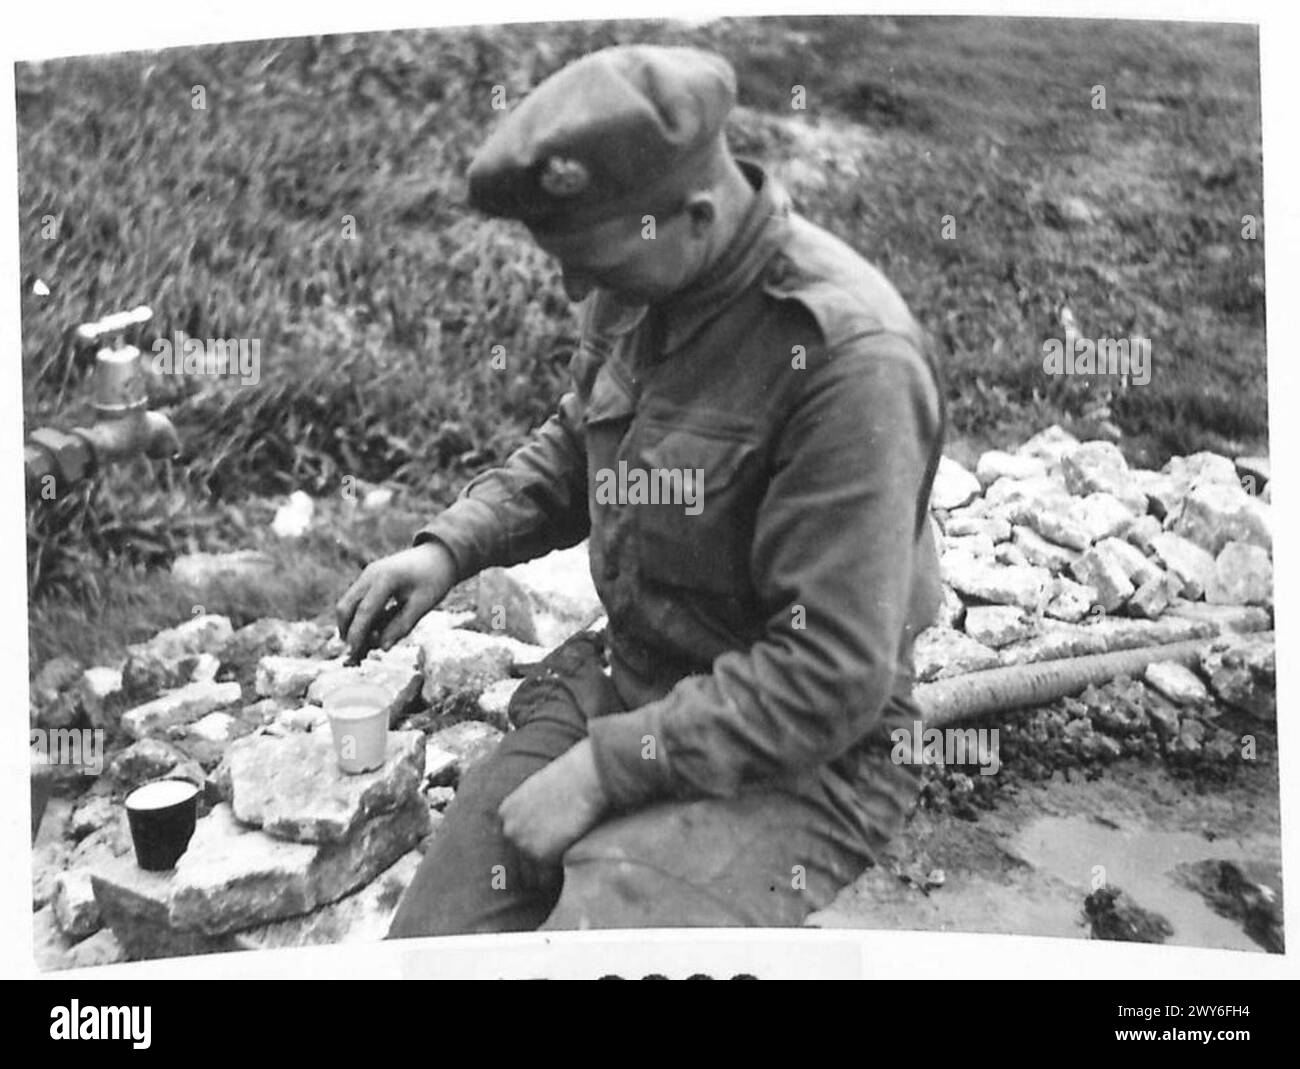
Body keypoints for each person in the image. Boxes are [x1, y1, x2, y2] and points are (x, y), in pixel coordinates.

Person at [335, 43, 946, 934]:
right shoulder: (642, 277)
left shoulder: (849, 359)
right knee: (433, 943)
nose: (578, 289)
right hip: (636, 676)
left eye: (596, 266)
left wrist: (604, 770)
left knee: (595, 939)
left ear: (694, 216)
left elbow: (831, 672)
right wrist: (448, 547)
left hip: (809, 754)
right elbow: (582, 445)